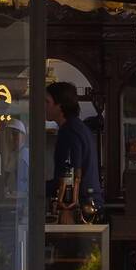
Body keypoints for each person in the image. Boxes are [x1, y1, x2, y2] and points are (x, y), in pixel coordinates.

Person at [45, 82, 103, 210]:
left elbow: (69, 174)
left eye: (47, 102)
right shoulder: (78, 128)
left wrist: (34, 189)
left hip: (79, 207)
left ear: (60, 105)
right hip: (88, 203)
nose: (43, 106)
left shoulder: (69, 132)